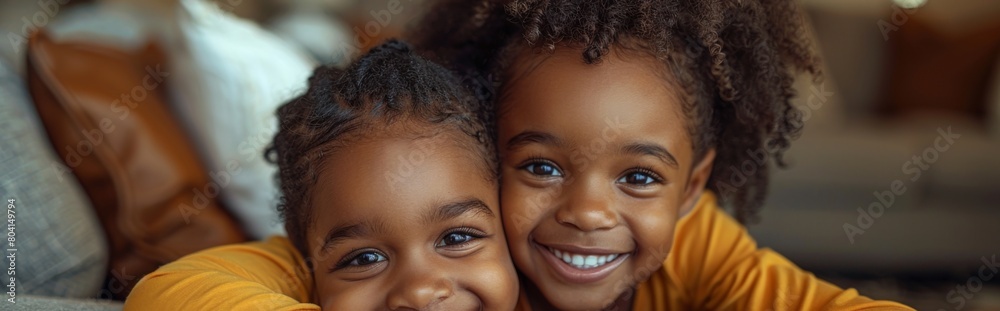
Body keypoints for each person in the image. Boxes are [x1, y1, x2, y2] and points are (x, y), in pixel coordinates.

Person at [124, 39, 519, 310]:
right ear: (306, 257)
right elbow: (162, 294)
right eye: (364, 258)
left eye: (457, 238)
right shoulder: (299, 266)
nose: (419, 291)